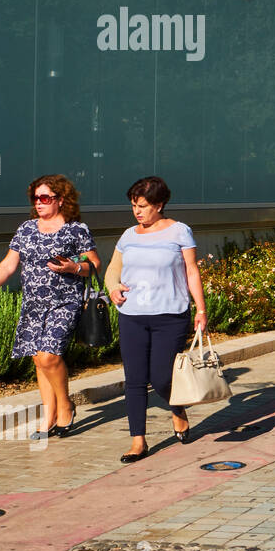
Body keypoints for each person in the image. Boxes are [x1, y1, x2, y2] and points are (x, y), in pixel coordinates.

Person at [0, 175, 100, 440]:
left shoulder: (76, 229)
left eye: (44, 198)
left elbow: (95, 264)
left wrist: (72, 267)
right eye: (35, 198)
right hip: (33, 304)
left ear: (60, 200)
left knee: (49, 356)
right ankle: (48, 417)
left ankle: (65, 406)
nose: (38, 203)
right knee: (39, 361)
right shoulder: (26, 228)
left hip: (64, 301)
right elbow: (9, 264)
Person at [105, 177, 208, 464]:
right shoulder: (128, 236)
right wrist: (113, 287)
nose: (137, 211)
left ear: (159, 205)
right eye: (133, 206)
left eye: (142, 206)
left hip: (170, 316)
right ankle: (137, 441)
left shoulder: (179, 232)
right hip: (132, 316)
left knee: (162, 376)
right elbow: (113, 269)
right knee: (135, 380)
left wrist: (201, 309)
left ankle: (177, 408)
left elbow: (191, 272)